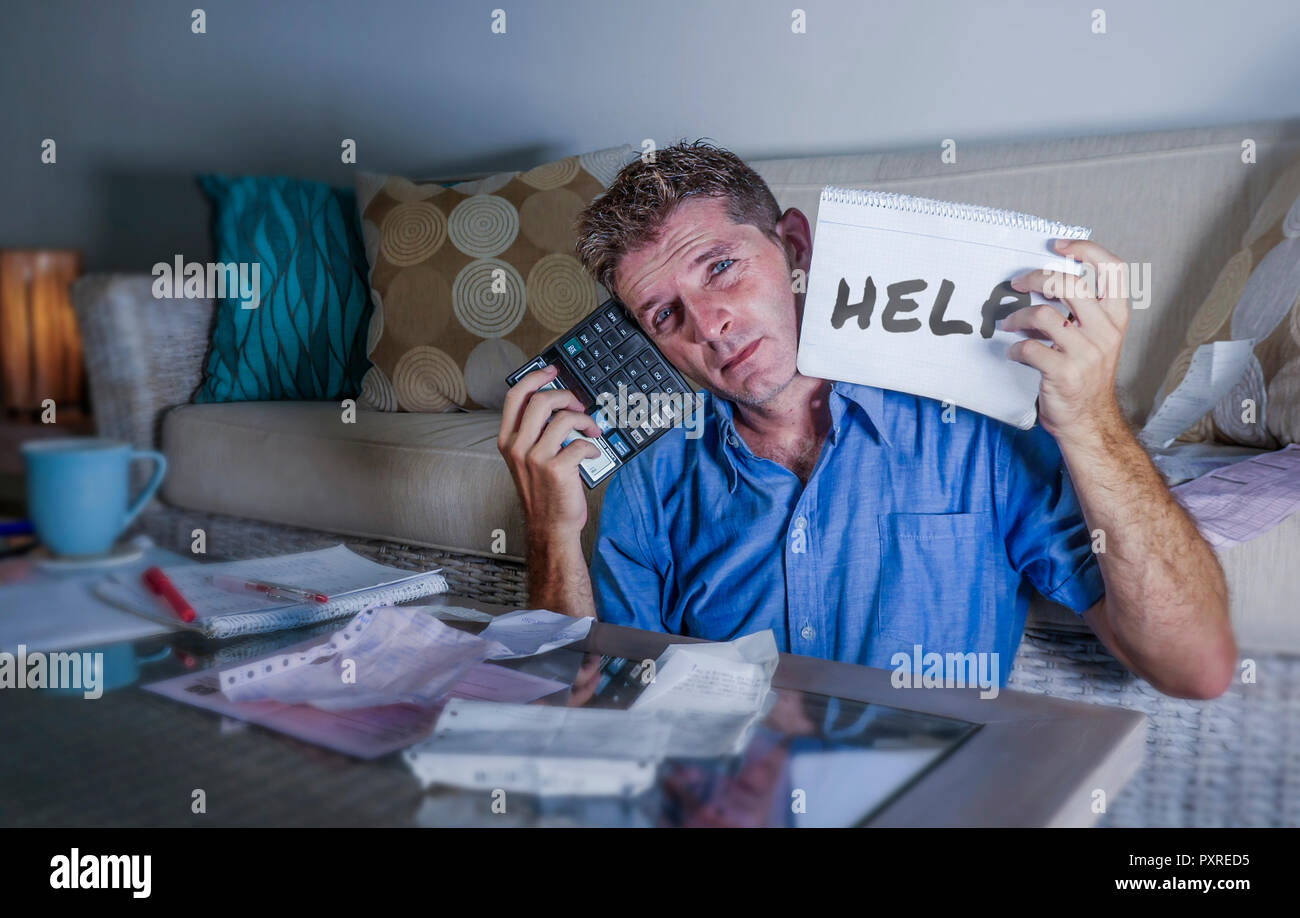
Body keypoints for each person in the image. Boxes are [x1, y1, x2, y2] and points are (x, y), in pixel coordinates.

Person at [497, 140, 1236, 699]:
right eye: (665, 313)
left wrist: (1091, 421)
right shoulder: (650, 480)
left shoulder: (979, 430)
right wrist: (551, 531)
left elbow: (1195, 667)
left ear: (793, 246)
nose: (710, 325)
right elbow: (592, 728)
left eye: (721, 267)